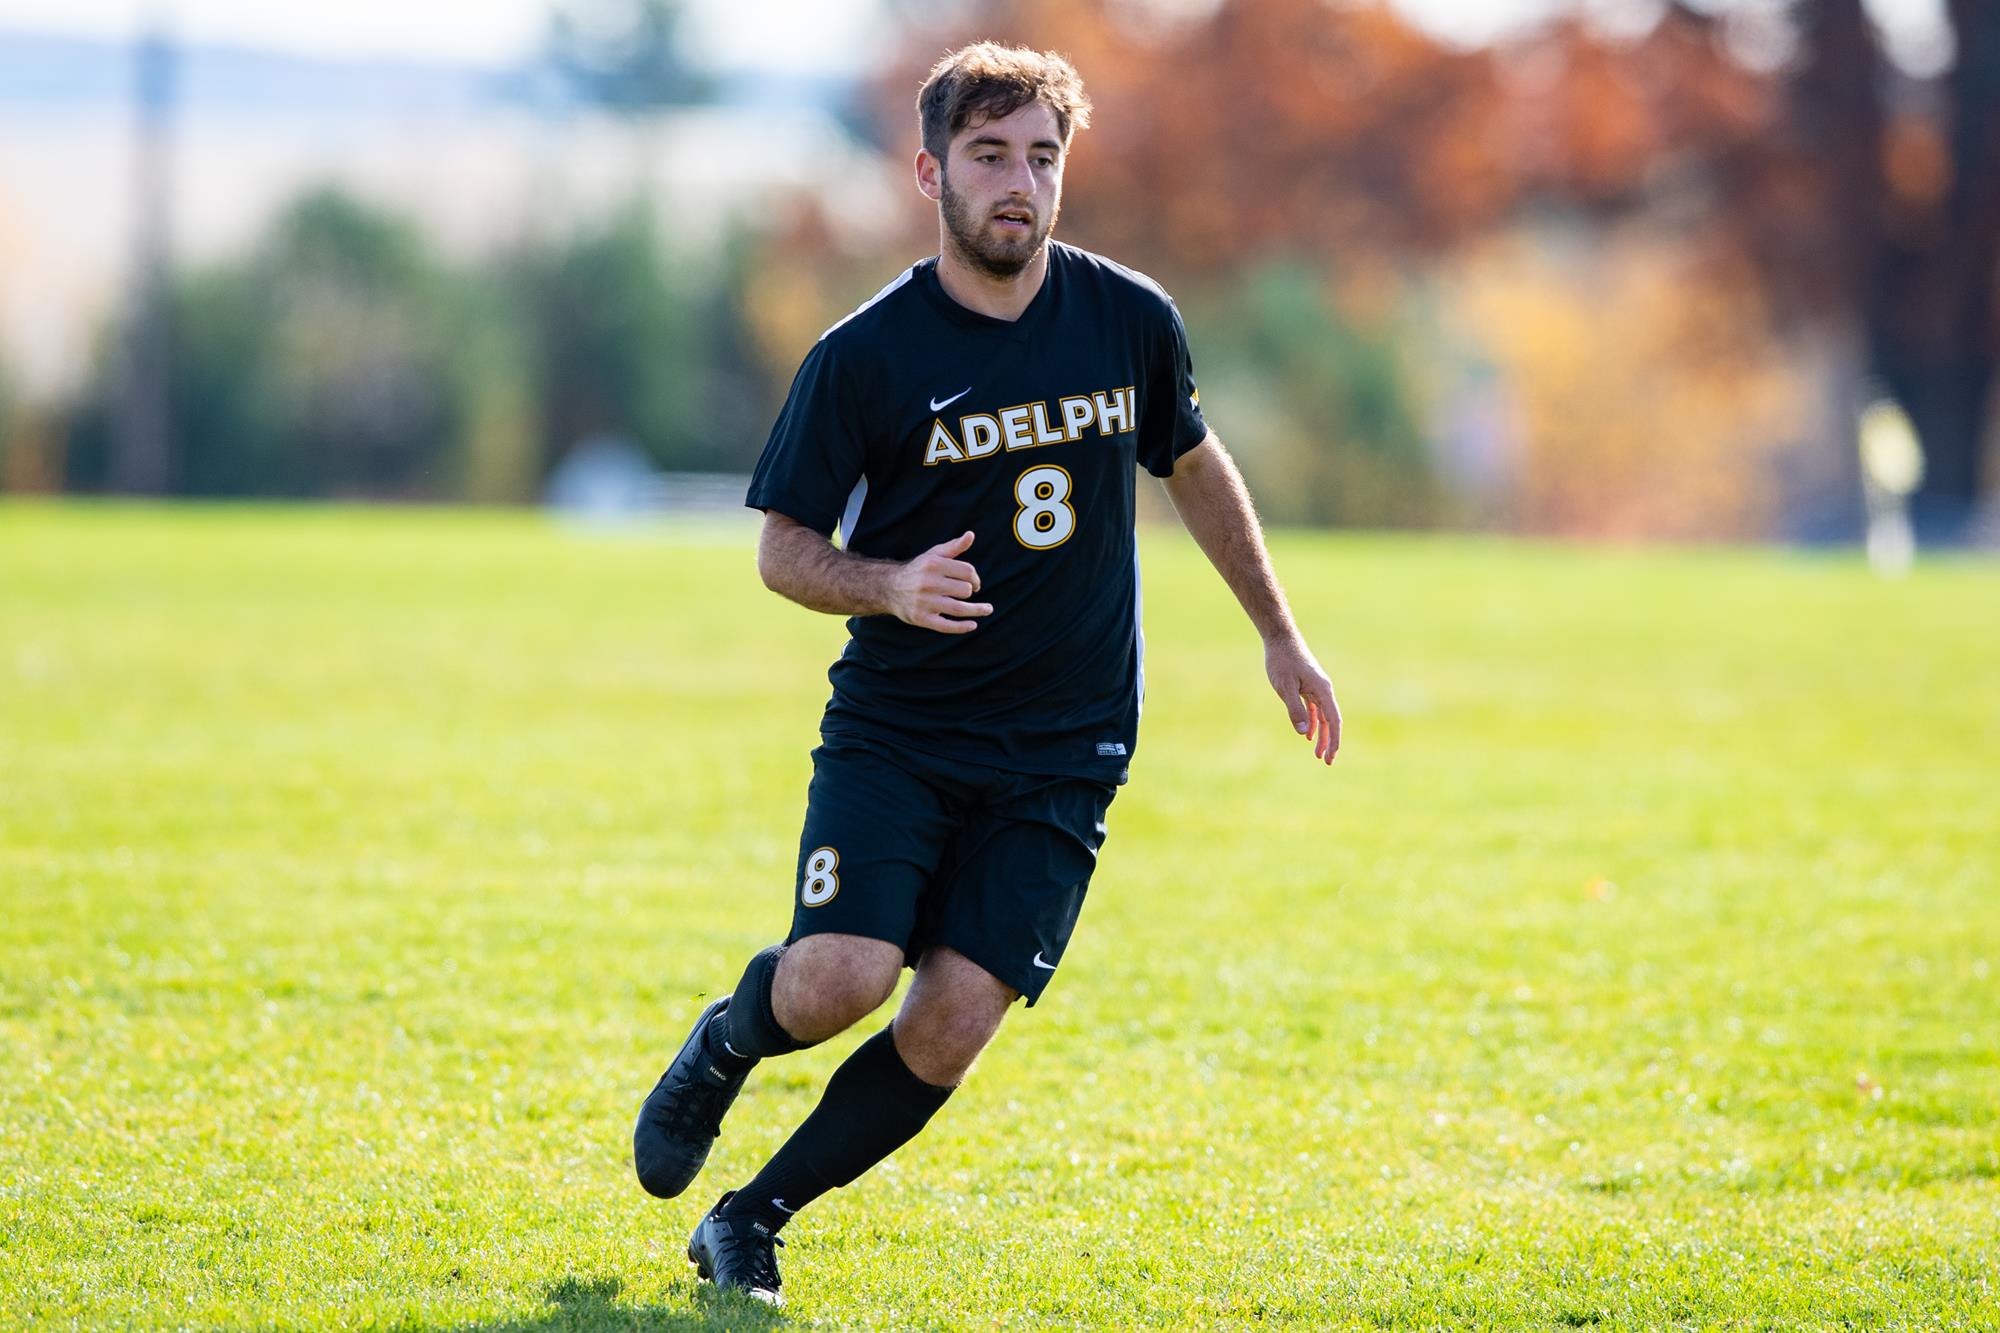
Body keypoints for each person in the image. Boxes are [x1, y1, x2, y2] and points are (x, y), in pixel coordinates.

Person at [633, 41, 1340, 1304]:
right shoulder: (865, 356)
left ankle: (751, 1217)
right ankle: (725, 1042)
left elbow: (1191, 463)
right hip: (902, 731)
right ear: (929, 172)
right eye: (990, 155)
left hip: (1066, 751)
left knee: (951, 1023)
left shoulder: (1129, 319)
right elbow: (782, 552)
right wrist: (888, 583)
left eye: (1043, 158)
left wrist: (1277, 632)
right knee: (838, 979)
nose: (1020, 182)